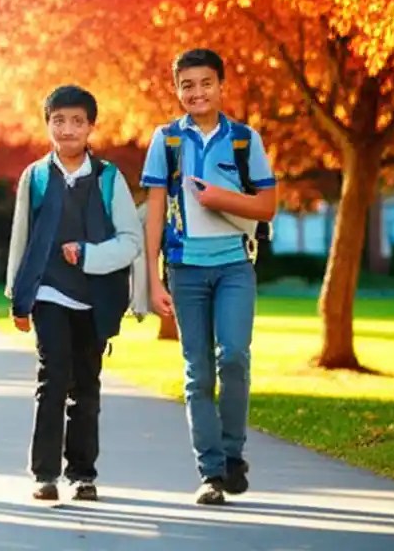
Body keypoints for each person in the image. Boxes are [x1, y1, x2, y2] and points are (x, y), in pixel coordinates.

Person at [141, 48, 277, 505]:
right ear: (176, 90)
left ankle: (233, 452)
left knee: (234, 357)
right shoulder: (166, 141)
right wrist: (153, 278)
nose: (196, 92)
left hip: (235, 265)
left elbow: (267, 207)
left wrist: (222, 198)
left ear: (221, 85)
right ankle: (211, 473)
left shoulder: (244, 140)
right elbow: (155, 212)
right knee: (198, 373)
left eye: (205, 83)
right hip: (184, 270)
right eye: (187, 85)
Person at [4, 85, 142, 502]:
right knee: (52, 377)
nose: (67, 129)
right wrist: (18, 295)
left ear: (91, 127)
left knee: (87, 385)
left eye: (77, 121)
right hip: (49, 293)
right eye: (59, 120)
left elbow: (130, 240)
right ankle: (44, 473)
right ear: (48, 124)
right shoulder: (36, 176)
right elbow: (21, 239)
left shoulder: (108, 178)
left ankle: (82, 473)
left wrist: (87, 256)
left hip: (95, 295)